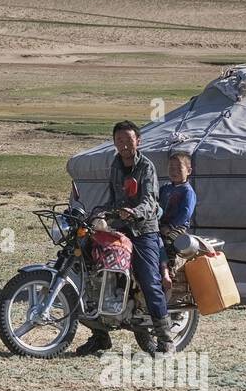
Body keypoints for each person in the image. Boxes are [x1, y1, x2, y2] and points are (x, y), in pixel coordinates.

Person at [74, 120, 173, 356]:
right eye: (120, 141)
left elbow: (150, 201)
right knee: (91, 274)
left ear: (138, 141)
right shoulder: (115, 165)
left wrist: (134, 212)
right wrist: (98, 212)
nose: (124, 145)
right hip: (119, 228)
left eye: (129, 140)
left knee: (149, 280)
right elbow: (113, 199)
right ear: (114, 143)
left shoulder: (146, 167)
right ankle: (100, 336)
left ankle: (166, 340)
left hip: (143, 230)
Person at [157, 152, 197, 292]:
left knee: (168, 243)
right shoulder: (165, 188)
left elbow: (186, 212)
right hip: (159, 225)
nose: (174, 171)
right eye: (171, 168)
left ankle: (171, 269)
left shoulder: (188, 191)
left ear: (189, 171)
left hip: (177, 227)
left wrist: (170, 227)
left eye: (178, 168)